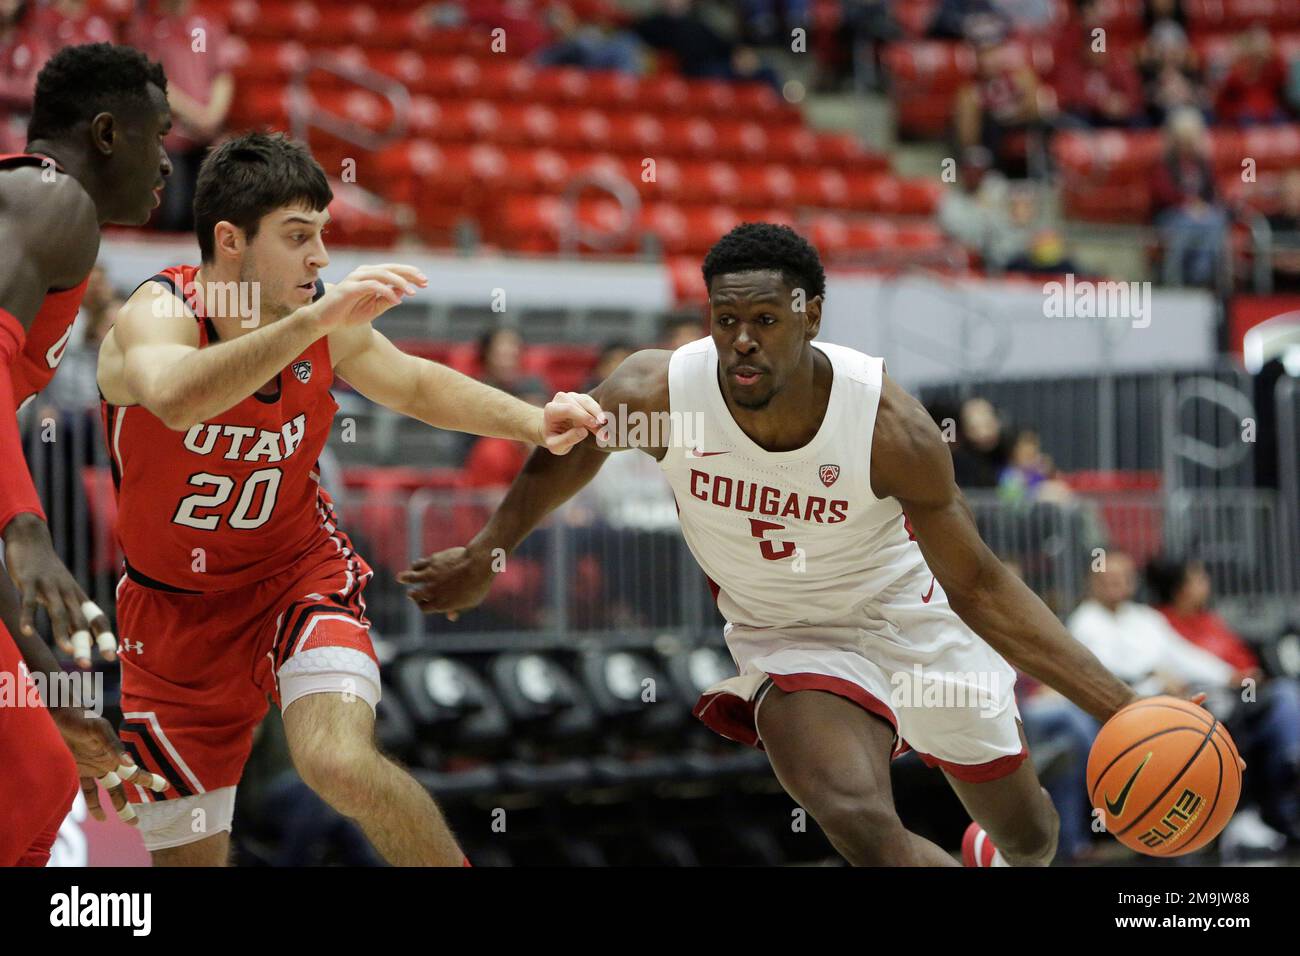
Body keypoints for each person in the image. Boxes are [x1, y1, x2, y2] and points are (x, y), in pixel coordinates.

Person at [401, 222, 1146, 867]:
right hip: (791, 634)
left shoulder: (888, 426)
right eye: (726, 321)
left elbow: (979, 585)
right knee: (860, 824)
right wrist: (486, 553)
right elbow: (570, 452)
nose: (743, 341)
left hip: (908, 616)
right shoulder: (661, 392)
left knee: (1030, 835)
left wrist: (1123, 709)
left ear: (810, 315)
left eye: (765, 318)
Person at [93, 131, 604, 866]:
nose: (321, 260)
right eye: (298, 237)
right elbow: (176, 398)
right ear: (231, 239)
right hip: (171, 615)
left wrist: (533, 421)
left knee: (337, 764)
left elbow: (416, 384)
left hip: (294, 578)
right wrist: (314, 324)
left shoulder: (320, 319)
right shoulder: (159, 312)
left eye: (323, 236)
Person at [0, 42, 173, 868]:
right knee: (35, 789)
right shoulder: (51, 202)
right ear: (108, 132)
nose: (167, 160)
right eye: (158, 134)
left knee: (44, 783)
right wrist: (26, 528)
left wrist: (35, 665)